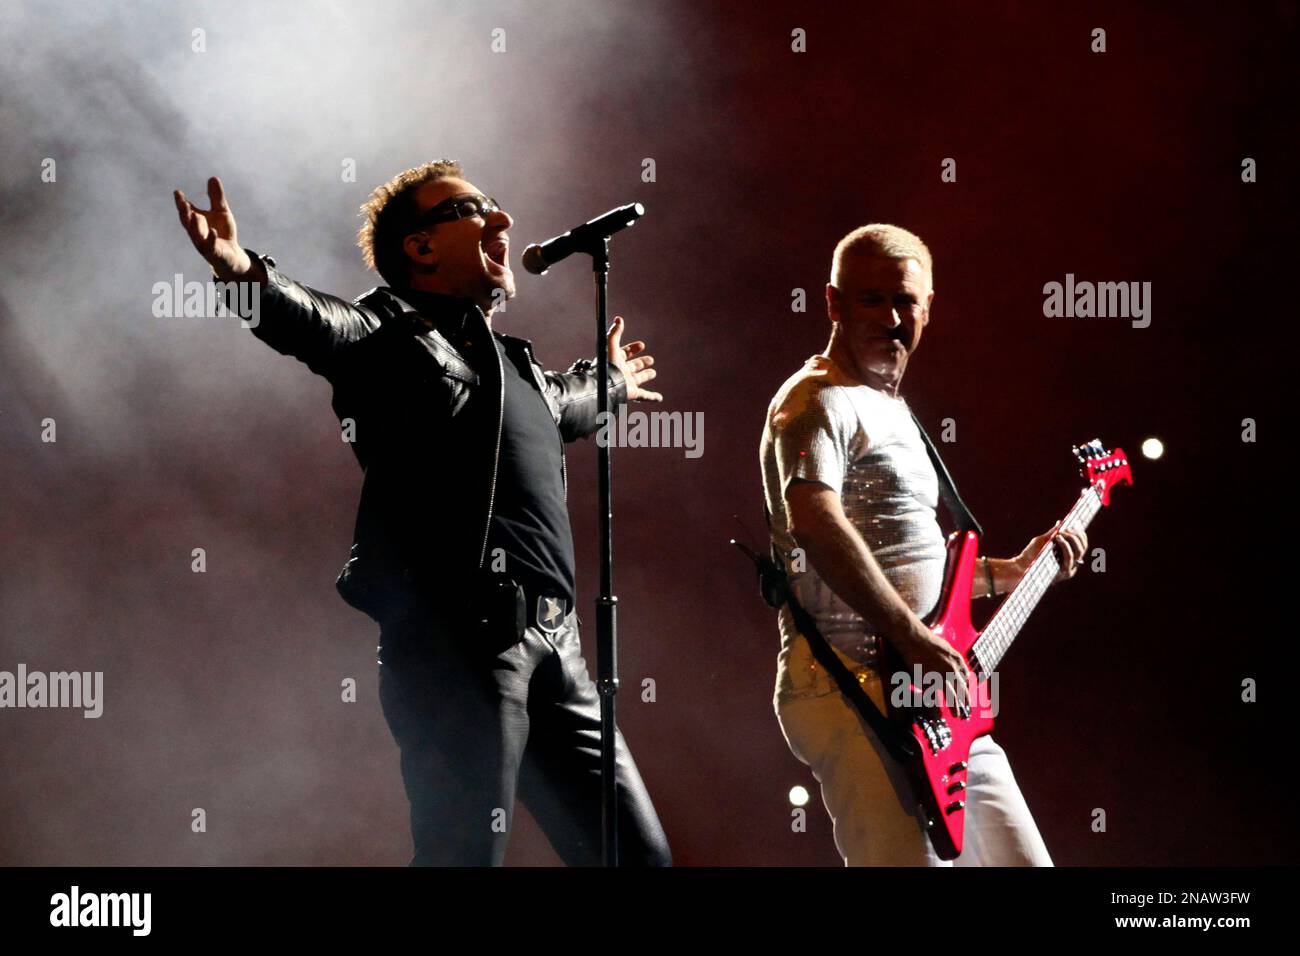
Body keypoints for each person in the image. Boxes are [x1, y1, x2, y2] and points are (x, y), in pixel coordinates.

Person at [173, 160, 671, 866]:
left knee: (639, 860)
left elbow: (569, 400)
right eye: (475, 209)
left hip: (560, 652)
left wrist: (613, 382)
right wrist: (240, 271)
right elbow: (311, 321)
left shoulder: (519, 369)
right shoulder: (385, 336)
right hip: (456, 643)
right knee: (463, 856)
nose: (501, 221)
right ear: (422, 246)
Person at [759, 223, 1086, 866]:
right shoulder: (814, 400)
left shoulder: (895, 409)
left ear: (928, 307)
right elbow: (815, 523)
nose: (890, 316)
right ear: (831, 304)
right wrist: (911, 637)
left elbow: (919, 562)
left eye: (905, 300)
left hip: (931, 694)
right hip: (851, 688)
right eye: (869, 299)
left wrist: (1014, 572)